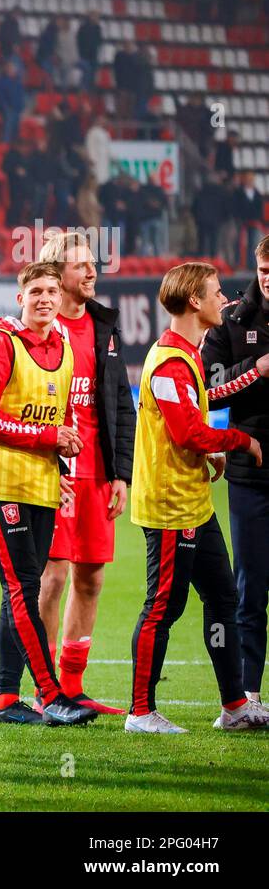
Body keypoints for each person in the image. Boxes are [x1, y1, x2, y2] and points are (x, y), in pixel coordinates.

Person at [126, 262, 269, 733]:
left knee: (224, 598)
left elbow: (190, 419)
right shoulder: (169, 360)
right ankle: (140, 712)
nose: (224, 298)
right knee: (162, 607)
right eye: (216, 291)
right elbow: (187, 431)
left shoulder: (188, 354)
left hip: (193, 503)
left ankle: (235, 706)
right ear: (194, 301)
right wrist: (239, 441)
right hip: (170, 506)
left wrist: (211, 453)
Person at [0, 262, 98, 727]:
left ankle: (6, 699)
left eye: (52, 292)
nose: (45, 299)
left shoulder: (64, 347)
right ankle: (51, 694)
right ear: (20, 297)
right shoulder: (0, 342)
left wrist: (63, 461)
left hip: (42, 487)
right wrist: (47, 437)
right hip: (4, 487)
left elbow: (63, 418)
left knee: (19, 593)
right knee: (23, 588)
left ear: (61, 299)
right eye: (36, 291)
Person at [32, 233, 137, 717]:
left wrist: (122, 475)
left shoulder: (104, 327)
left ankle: (73, 686)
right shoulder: (39, 327)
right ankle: (46, 689)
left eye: (93, 263)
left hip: (97, 472)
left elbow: (121, 404)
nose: (92, 272)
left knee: (91, 578)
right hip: (54, 472)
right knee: (52, 577)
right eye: (81, 265)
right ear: (58, 273)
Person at [203, 239, 269, 704]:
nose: (268, 278)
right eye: (264, 269)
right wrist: (256, 369)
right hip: (251, 476)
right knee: (251, 588)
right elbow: (208, 389)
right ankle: (248, 695)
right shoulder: (233, 320)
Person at [0, 61, 25, 144]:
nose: (12, 71)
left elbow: (21, 95)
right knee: (8, 127)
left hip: (17, 109)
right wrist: (4, 106)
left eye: (13, 69)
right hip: (7, 109)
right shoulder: (1, 82)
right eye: (10, 69)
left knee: (15, 129)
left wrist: (21, 106)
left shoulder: (18, 82)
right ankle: (4, 144)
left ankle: (14, 145)